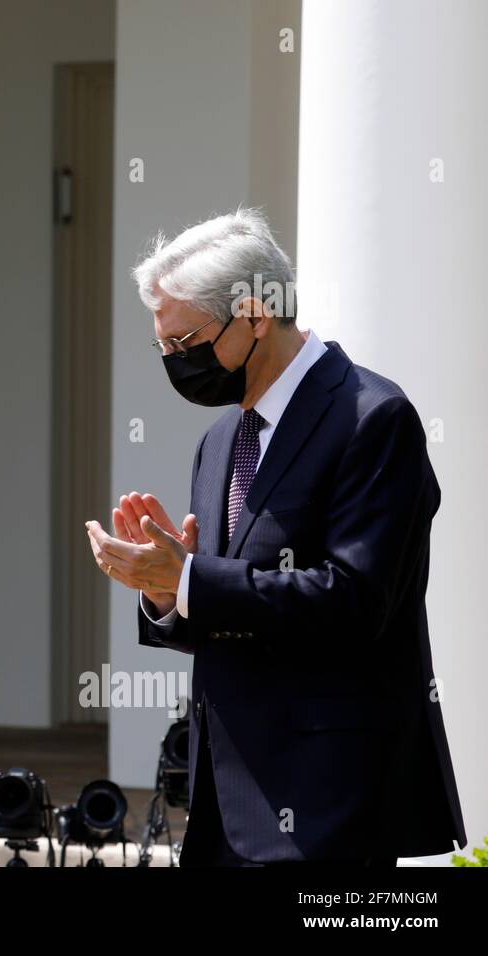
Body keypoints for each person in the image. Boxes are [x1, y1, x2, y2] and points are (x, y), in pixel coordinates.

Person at [85, 208, 465, 865]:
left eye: (185, 343)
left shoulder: (373, 418)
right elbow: (224, 612)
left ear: (256, 316)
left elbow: (354, 601)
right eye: (165, 348)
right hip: (222, 806)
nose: (176, 362)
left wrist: (190, 578)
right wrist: (164, 591)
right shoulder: (220, 438)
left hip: (327, 804)